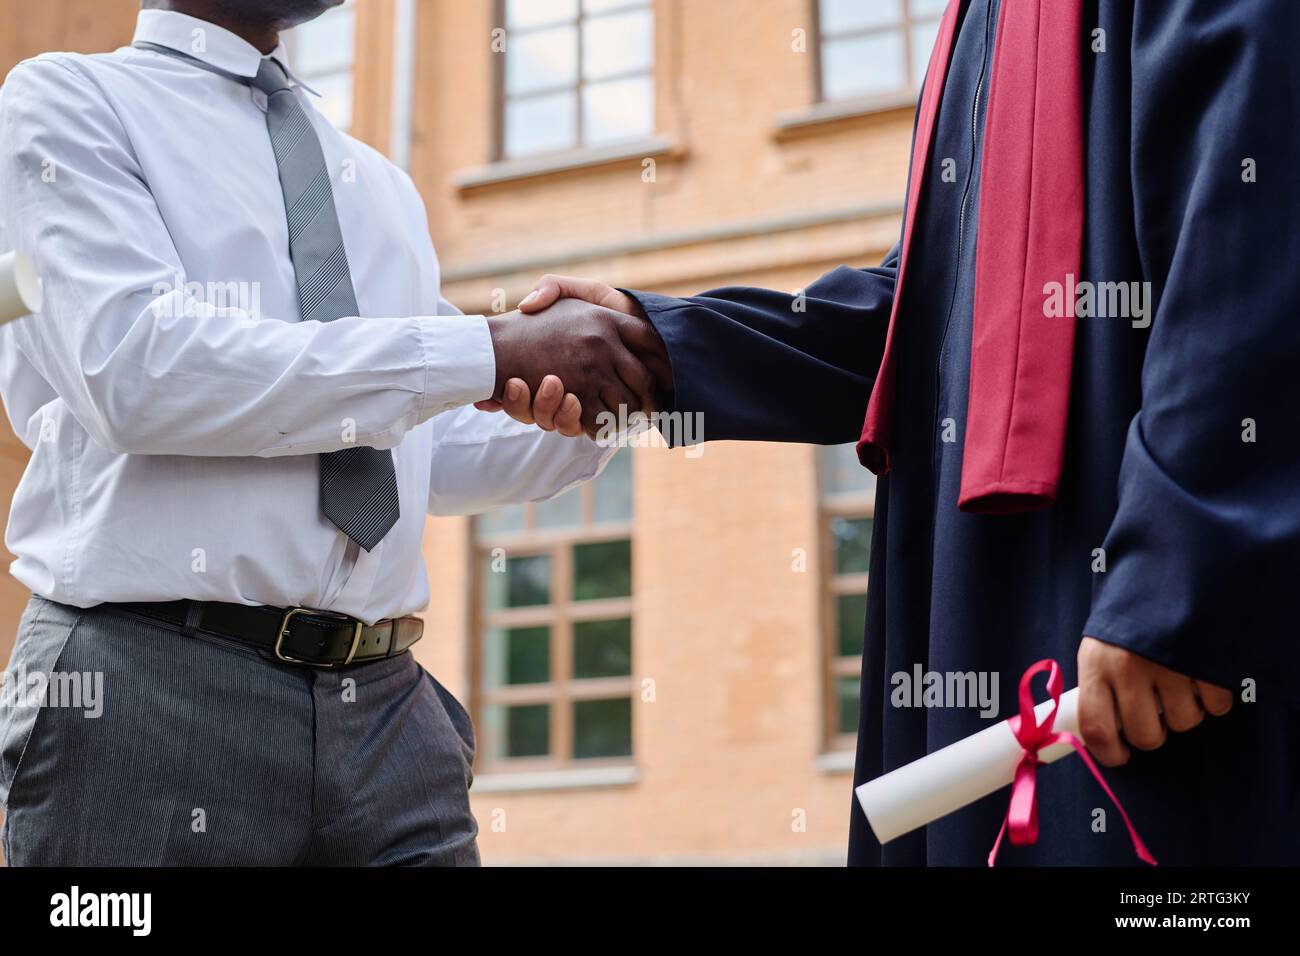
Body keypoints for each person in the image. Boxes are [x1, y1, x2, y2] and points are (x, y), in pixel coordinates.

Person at [487, 0, 1300, 865]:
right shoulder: (977, 24)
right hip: (978, 603)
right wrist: (660, 347)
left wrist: (1186, 572)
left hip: (1133, 623)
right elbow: (937, 310)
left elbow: (1252, 222)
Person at [0, 0, 666, 865]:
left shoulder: (374, 183)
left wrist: (602, 394)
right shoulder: (68, 101)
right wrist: (485, 346)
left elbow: (415, 449)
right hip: (149, 693)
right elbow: (137, 371)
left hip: (386, 711)